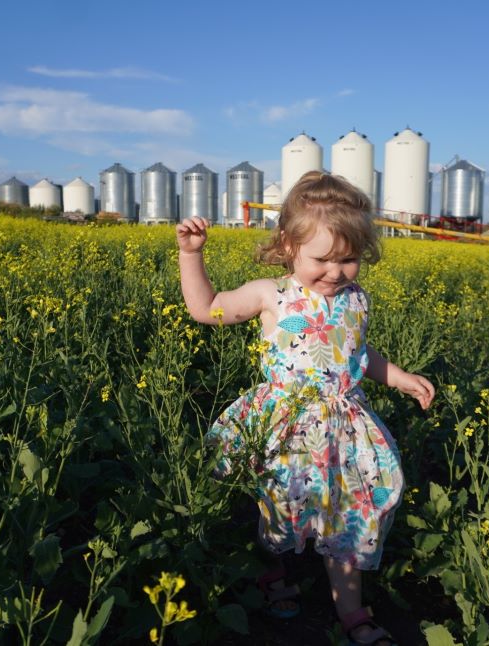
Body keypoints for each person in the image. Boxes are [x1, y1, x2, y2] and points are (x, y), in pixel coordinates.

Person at [176, 171, 435, 646]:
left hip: (345, 427)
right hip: (285, 424)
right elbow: (206, 307)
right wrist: (191, 254)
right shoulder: (270, 293)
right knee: (281, 504)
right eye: (322, 259)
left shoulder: (357, 298)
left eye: (350, 259)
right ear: (288, 245)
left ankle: (352, 610)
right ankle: (275, 574)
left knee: (353, 512)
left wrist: (397, 377)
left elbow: (360, 353)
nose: (336, 272)